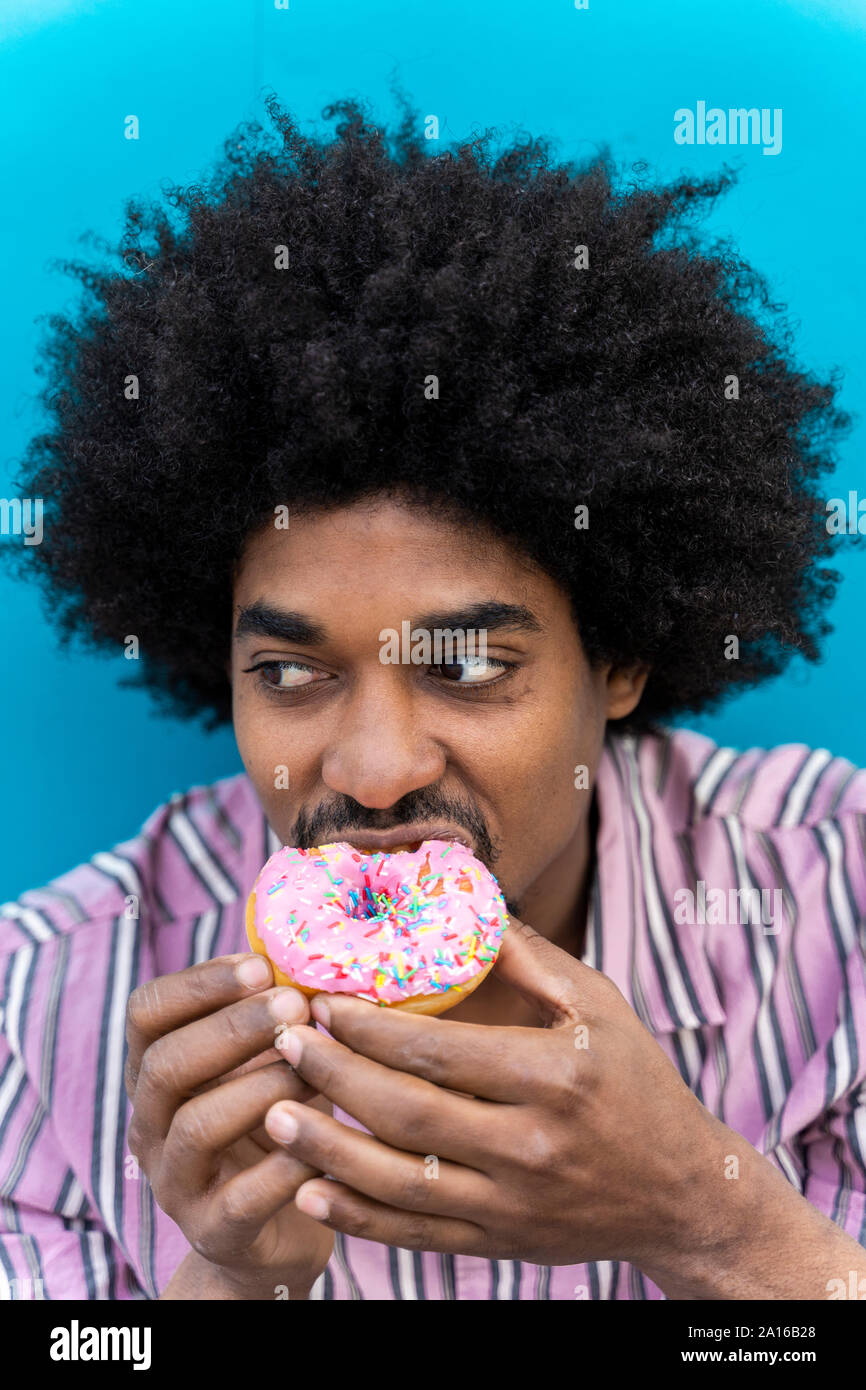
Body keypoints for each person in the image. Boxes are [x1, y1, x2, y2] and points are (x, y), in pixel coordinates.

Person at [1, 92, 864, 1301]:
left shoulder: (844, 908)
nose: (373, 769)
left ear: (617, 660)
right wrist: (232, 1287)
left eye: (463, 667)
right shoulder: (39, 1002)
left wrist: (707, 1221)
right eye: (291, 673)